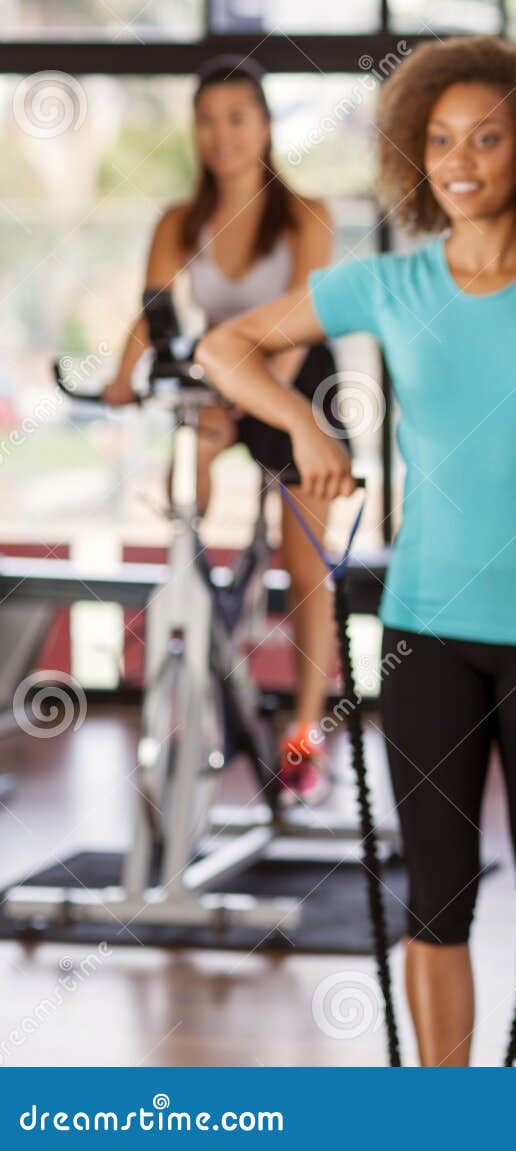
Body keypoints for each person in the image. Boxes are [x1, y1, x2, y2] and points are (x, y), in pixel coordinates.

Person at [195, 36, 516, 1066]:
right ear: (417, 154)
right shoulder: (390, 284)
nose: (461, 160)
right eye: (441, 139)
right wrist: (306, 427)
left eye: (487, 137)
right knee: (437, 890)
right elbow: (222, 347)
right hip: (424, 626)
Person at [104, 55, 342, 801]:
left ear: (265, 127)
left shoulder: (306, 213)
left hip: (298, 382)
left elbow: (301, 323)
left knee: (305, 567)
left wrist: (251, 387)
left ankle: (306, 732)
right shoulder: (181, 221)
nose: (221, 135)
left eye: (237, 119)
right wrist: (120, 377)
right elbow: (156, 315)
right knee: (187, 481)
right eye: (208, 120)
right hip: (219, 379)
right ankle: (199, 628)